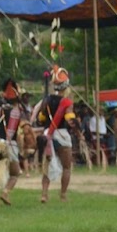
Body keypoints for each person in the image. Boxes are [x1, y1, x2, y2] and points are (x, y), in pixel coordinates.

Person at [31, 67, 77, 203]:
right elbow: (69, 118)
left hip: (48, 136)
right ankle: (63, 195)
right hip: (62, 135)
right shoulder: (67, 102)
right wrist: (75, 123)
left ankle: (44, 194)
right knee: (67, 167)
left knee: (46, 167)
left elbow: (41, 119)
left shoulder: (46, 101)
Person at [0, 79, 25, 207]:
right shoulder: (17, 112)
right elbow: (19, 132)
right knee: (15, 173)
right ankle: (5, 192)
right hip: (10, 146)